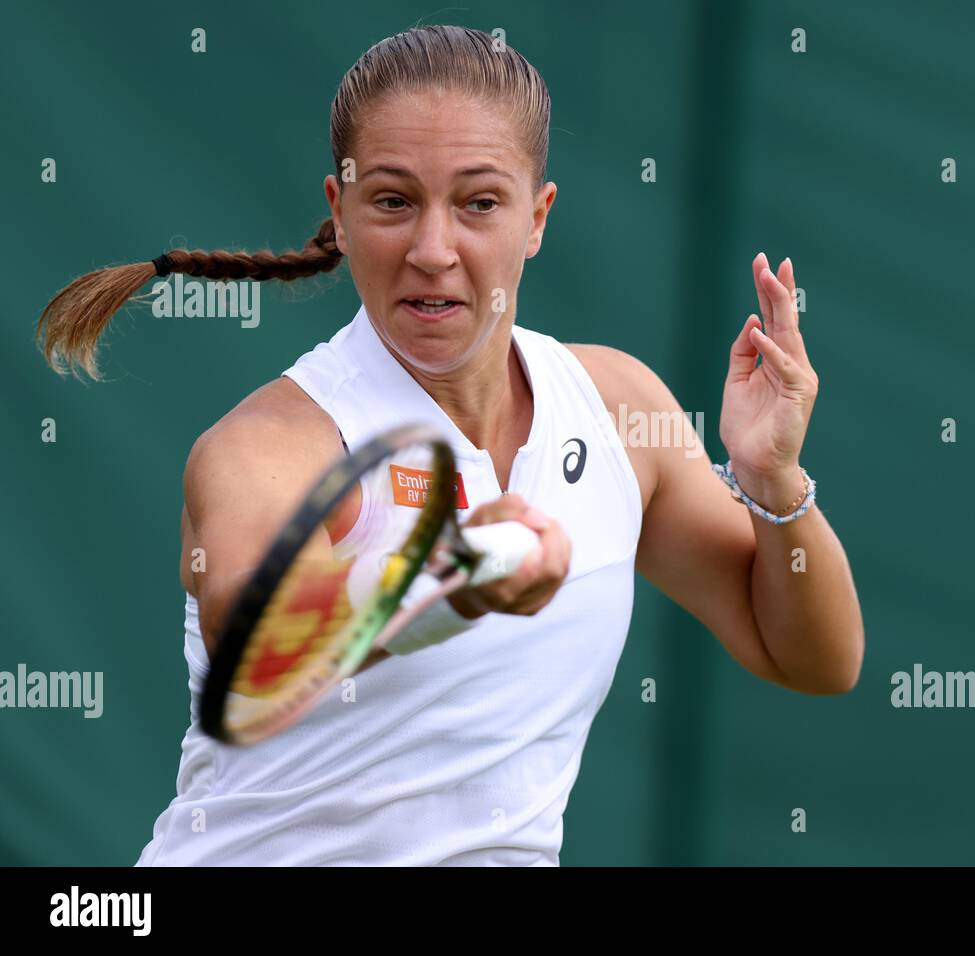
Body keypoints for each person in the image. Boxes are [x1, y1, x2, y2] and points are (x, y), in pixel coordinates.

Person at [35, 24, 864, 866]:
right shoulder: (268, 447)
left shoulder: (617, 408)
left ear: (536, 217)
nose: (433, 251)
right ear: (341, 212)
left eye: (479, 203)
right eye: (393, 201)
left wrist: (771, 479)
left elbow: (813, 657)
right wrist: (454, 578)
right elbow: (257, 651)